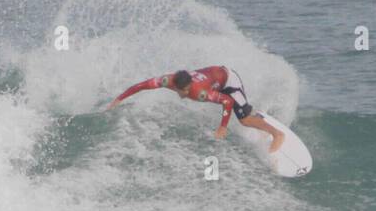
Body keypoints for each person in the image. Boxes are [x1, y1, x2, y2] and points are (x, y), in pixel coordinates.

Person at [105, 65, 285, 153]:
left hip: (229, 81)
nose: (183, 94)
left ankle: (277, 134)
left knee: (244, 120)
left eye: (185, 90)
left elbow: (227, 102)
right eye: (181, 90)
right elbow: (141, 85)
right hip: (215, 79)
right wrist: (119, 99)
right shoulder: (167, 81)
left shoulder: (199, 93)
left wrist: (223, 126)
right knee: (243, 111)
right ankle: (252, 113)